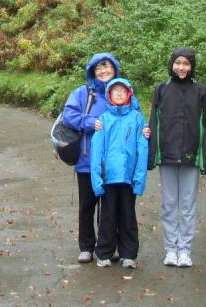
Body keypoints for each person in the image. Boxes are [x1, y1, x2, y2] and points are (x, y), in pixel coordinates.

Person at [61, 54, 144, 264]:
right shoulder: (82, 93)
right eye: (98, 68)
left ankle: (108, 246)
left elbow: (137, 117)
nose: (103, 71)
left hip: (115, 165)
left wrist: (145, 131)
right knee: (87, 206)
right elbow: (68, 115)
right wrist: (91, 122)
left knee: (110, 208)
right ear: (92, 72)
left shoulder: (122, 91)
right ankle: (86, 247)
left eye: (107, 66)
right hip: (87, 160)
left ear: (114, 69)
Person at [147, 46, 206, 268]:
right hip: (167, 155)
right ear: (172, 64)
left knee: (187, 206)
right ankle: (171, 249)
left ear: (192, 66)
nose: (181, 67)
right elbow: (154, 122)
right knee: (169, 205)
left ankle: (184, 250)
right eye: (178, 63)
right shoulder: (161, 89)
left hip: (190, 156)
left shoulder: (200, 90)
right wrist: (151, 154)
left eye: (186, 63)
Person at [90, 78, 148, 268]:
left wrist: (139, 179)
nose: (119, 94)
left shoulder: (137, 118)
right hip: (108, 178)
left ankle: (129, 254)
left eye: (123, 91)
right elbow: (96, 151)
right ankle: (104, 253)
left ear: (129, 94)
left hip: (128, 178)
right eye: (115, 91)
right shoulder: (104, 120)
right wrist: (97, 180)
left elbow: (142, 149)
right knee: (107, 217)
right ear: (109, 95)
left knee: (128, 216)